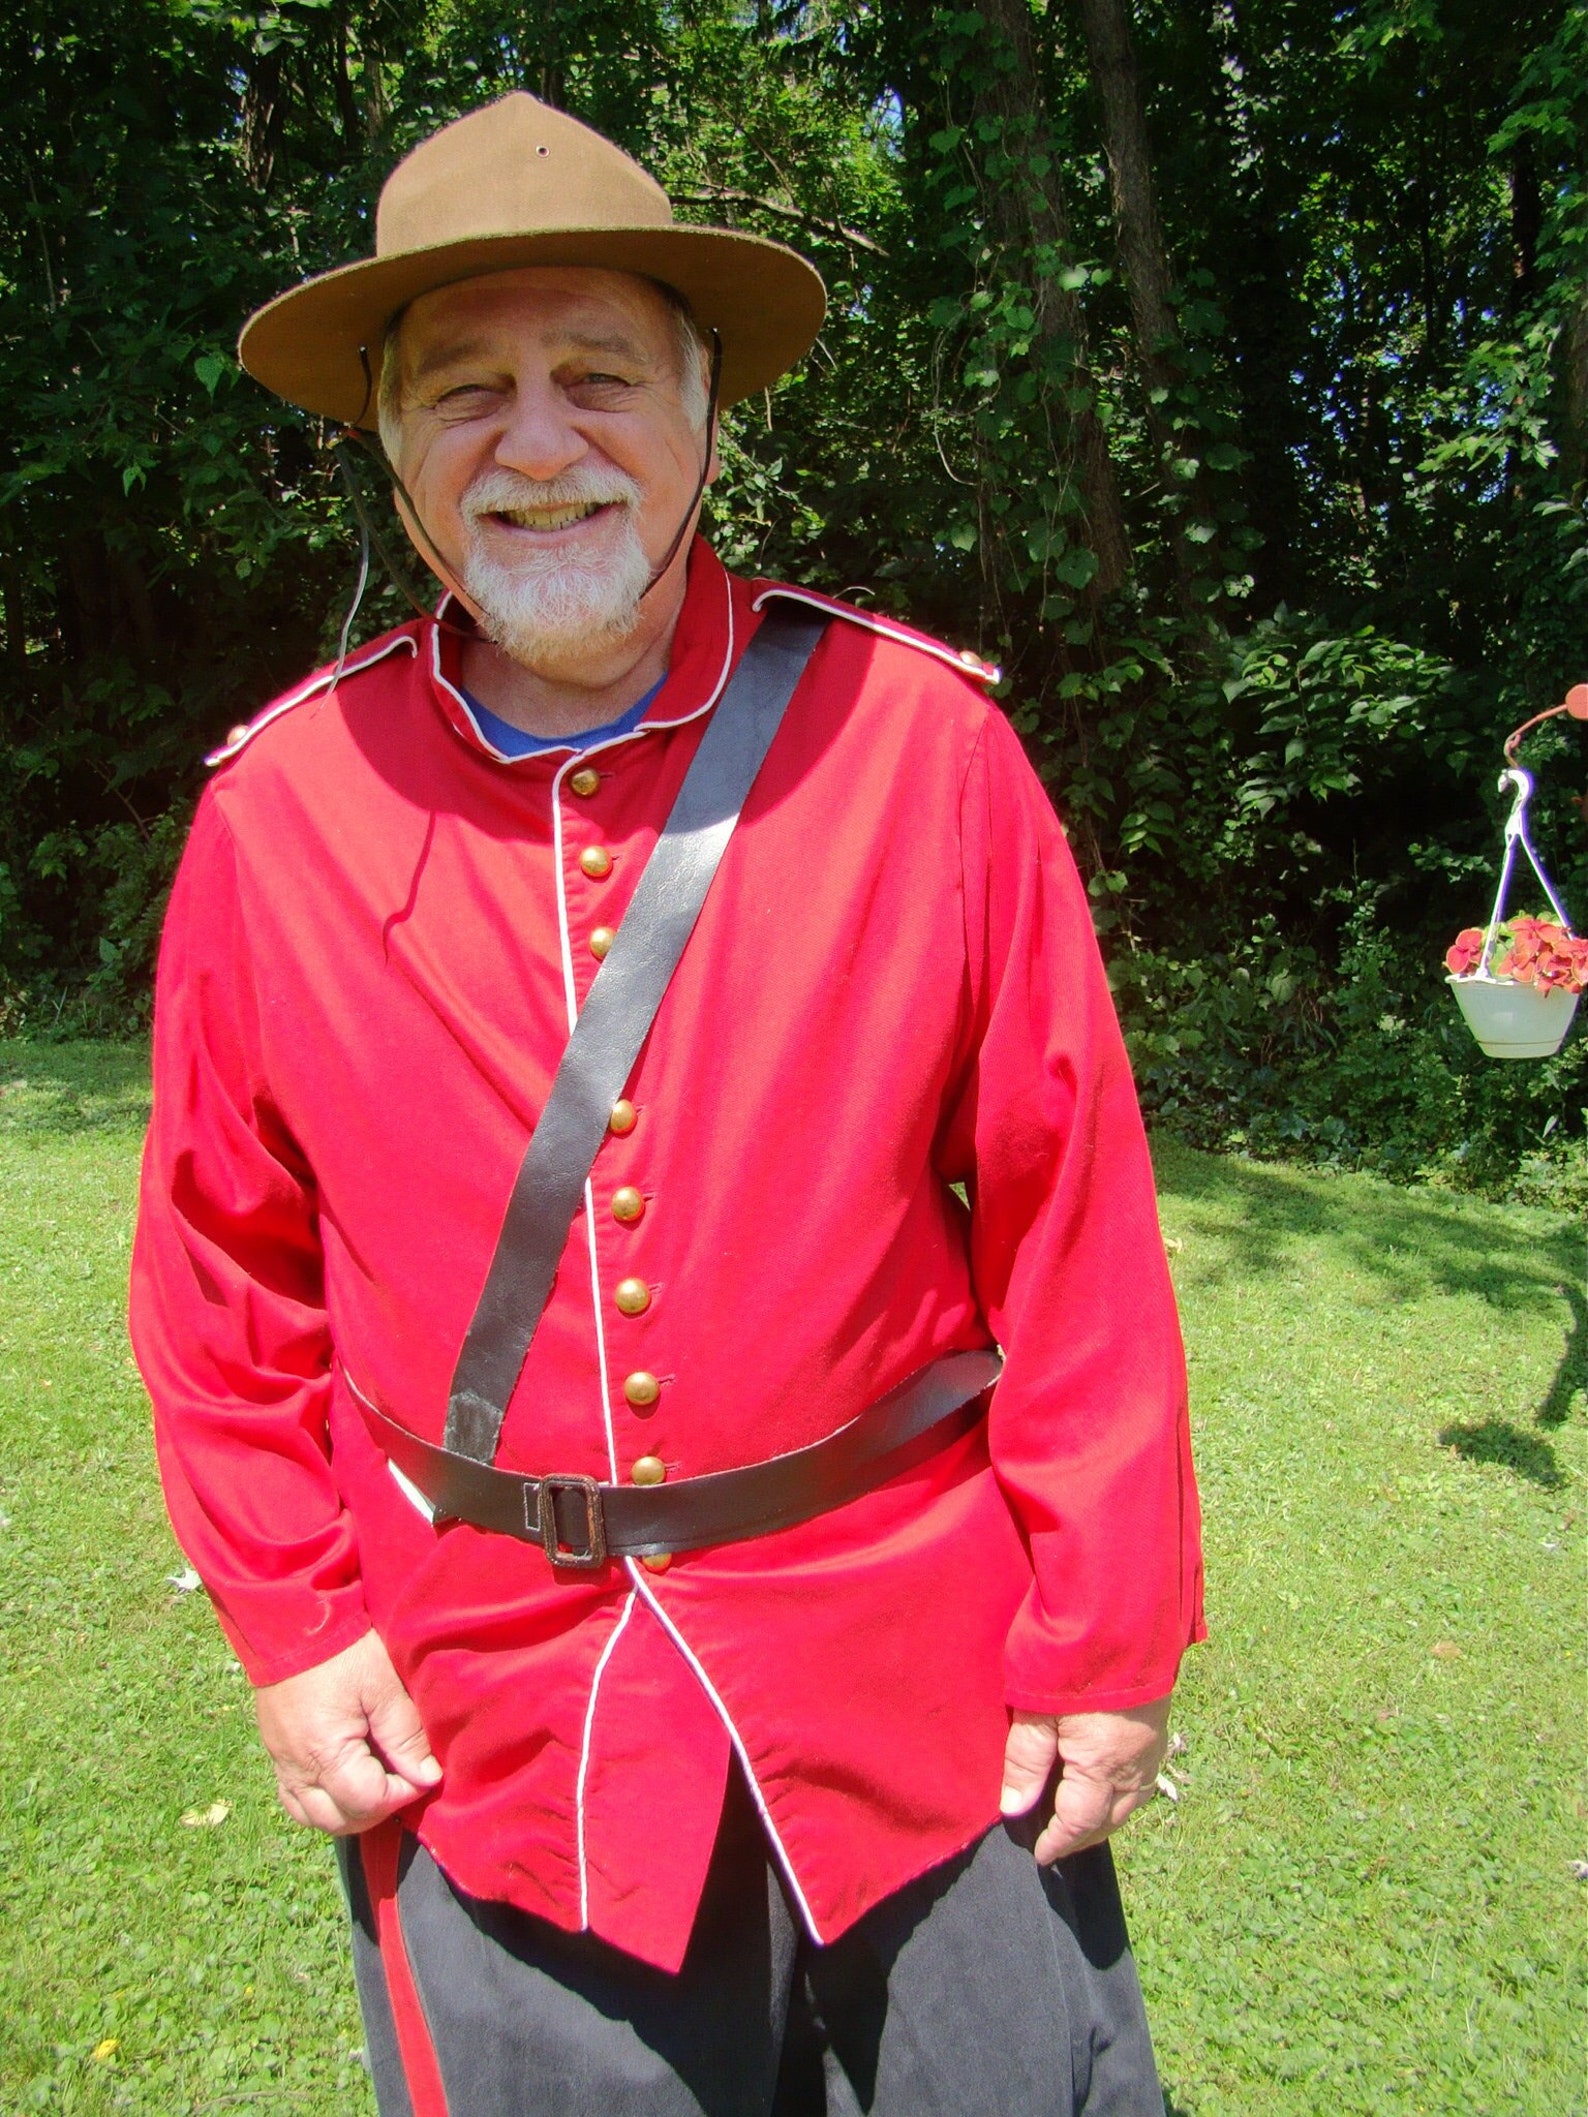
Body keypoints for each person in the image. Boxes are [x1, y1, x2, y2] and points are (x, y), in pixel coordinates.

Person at [130, 91, 1204, 2117]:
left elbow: (1073, 1228)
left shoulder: (921, 753)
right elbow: (220, 1270)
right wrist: (288, 1618)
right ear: (390, 442)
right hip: (490, 1715)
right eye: (466, 391)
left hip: (914, 1689)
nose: (535, 442)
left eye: (597, 377)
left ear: (706, 412)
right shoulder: (277, 814)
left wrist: (1105, 1632)